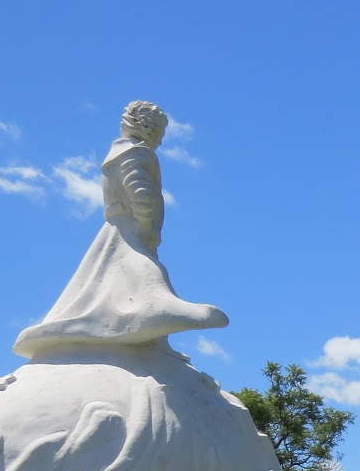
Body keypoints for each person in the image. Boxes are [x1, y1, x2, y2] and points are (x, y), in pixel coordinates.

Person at [13, 101, 226, 357]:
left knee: (106, 283)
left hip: (119, 226)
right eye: (160, 130)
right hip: (131, 228)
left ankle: (153, 342)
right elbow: (141, 194)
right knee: (144, 272)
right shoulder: (136, 154)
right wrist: (148, 227)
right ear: (149, 128)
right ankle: (166, 312)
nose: (162, 138)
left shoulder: (120, 154)